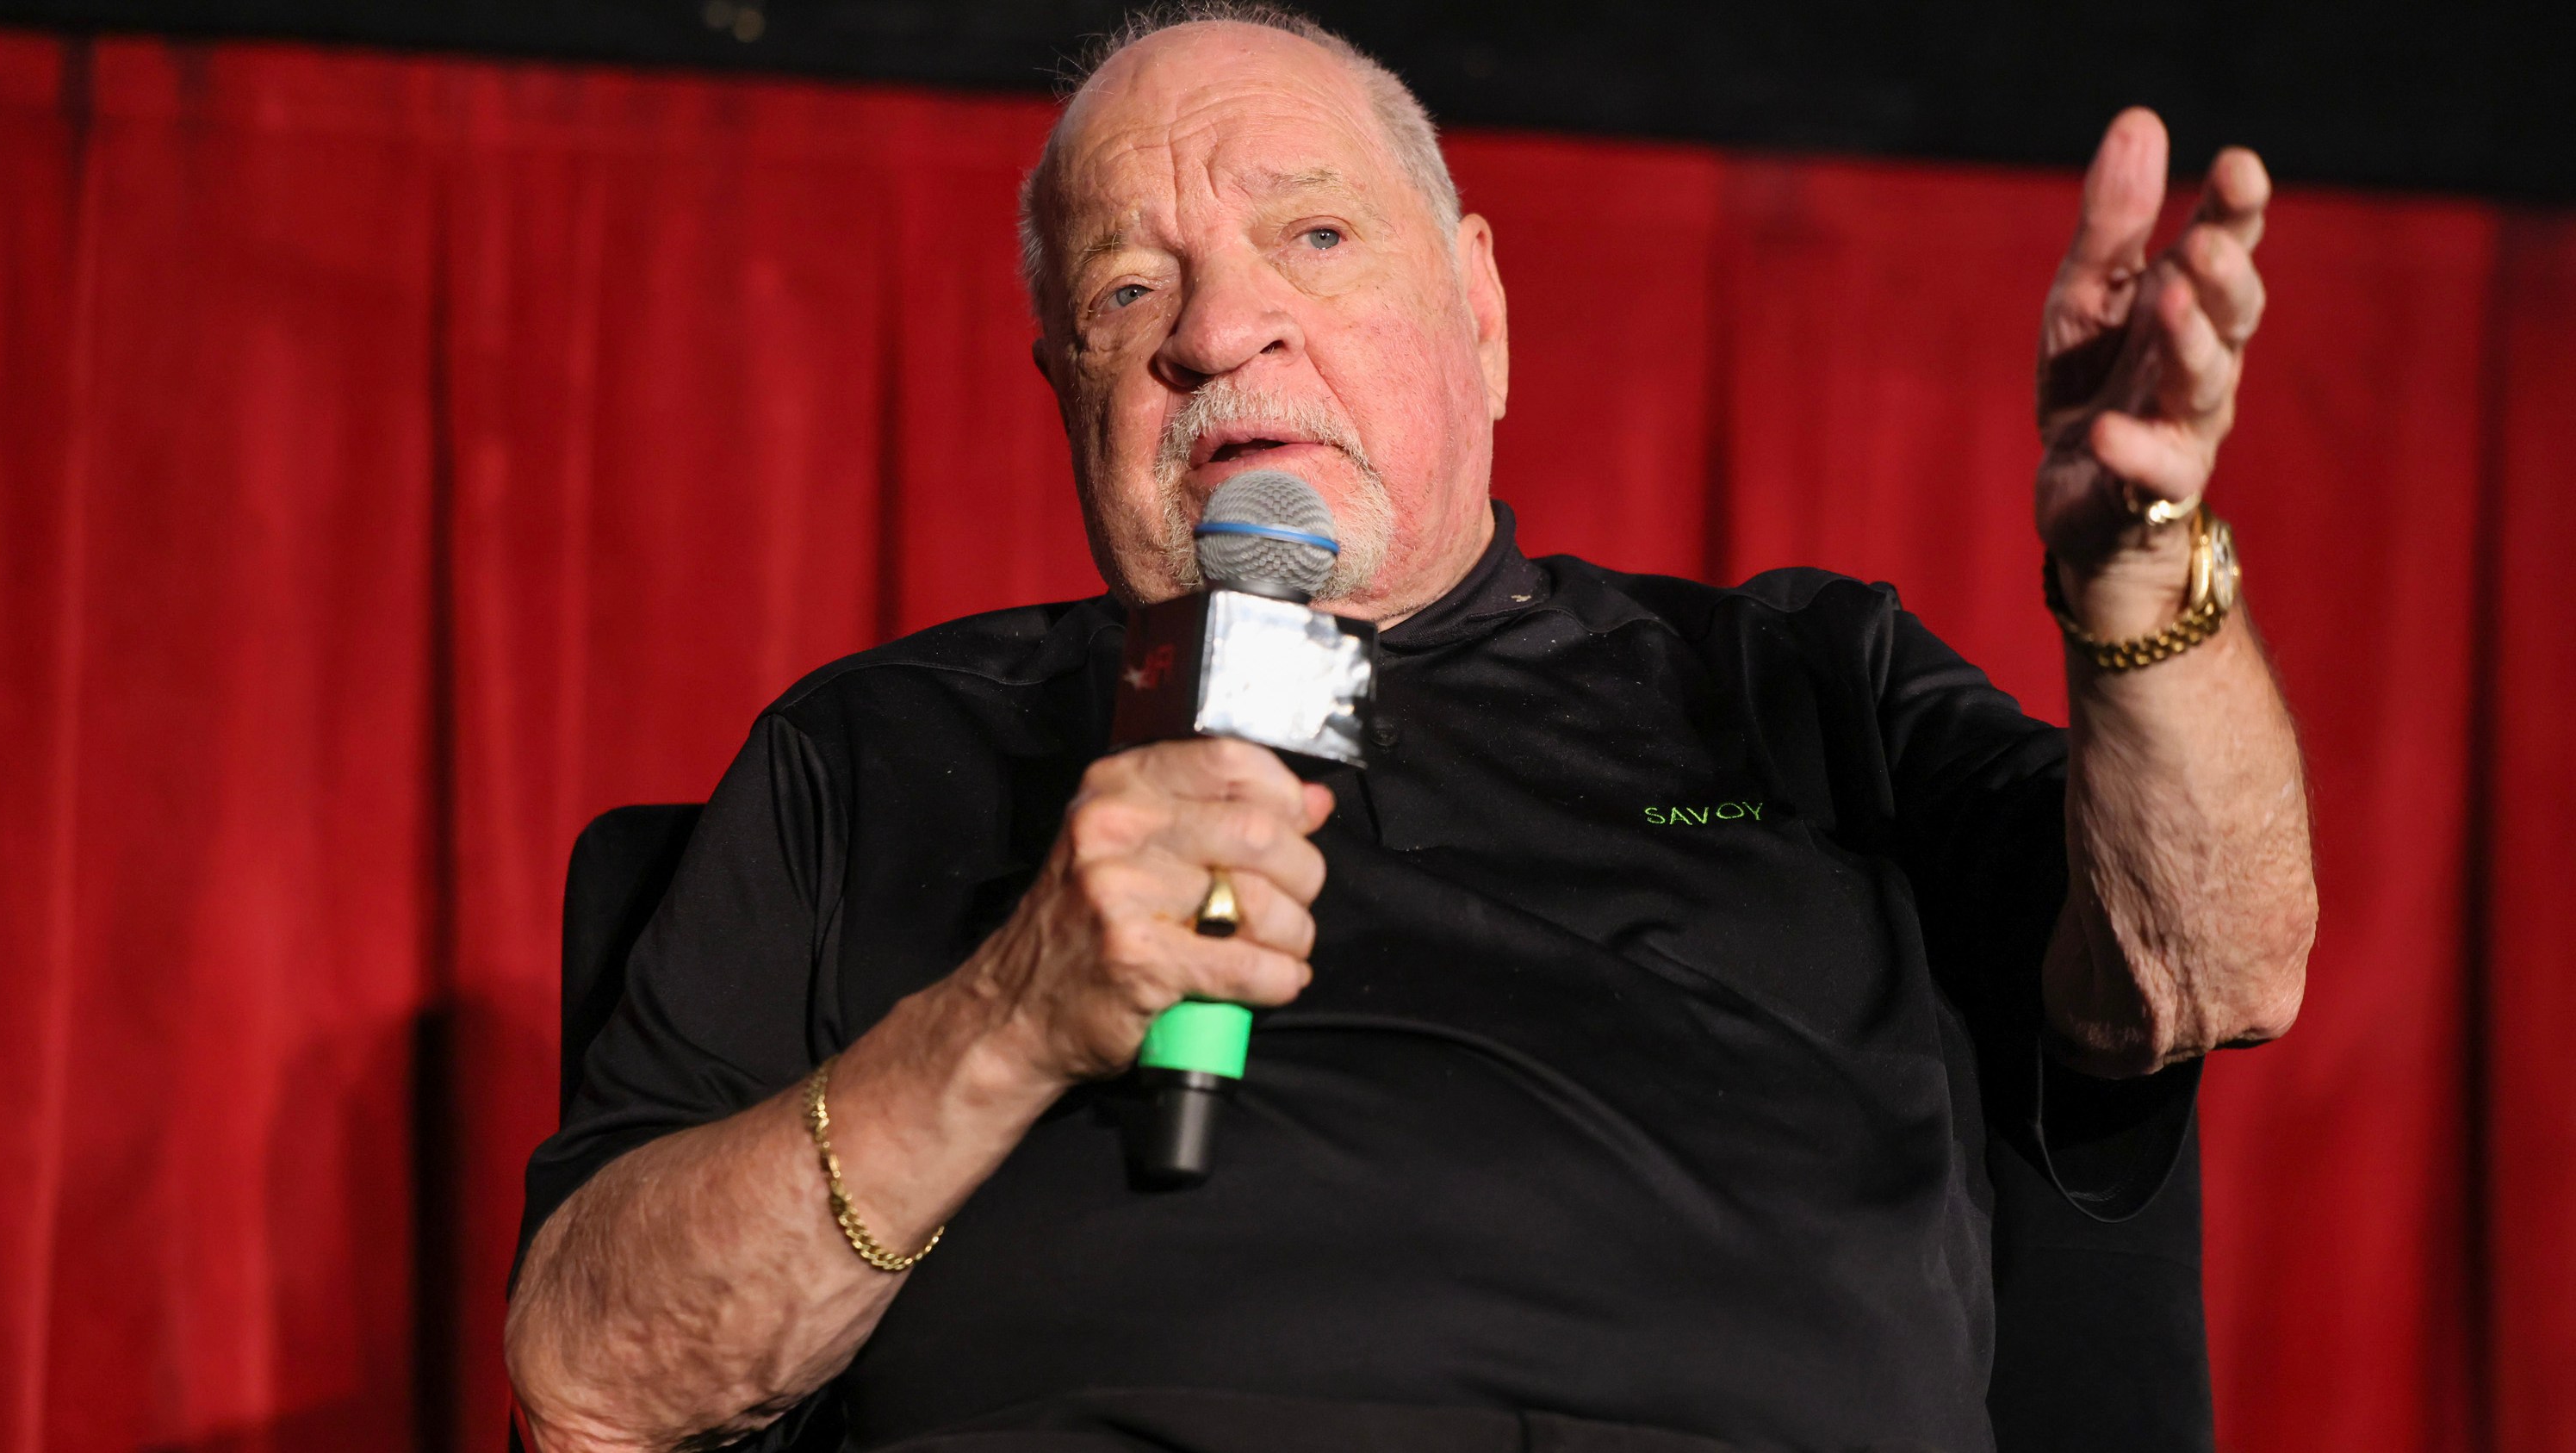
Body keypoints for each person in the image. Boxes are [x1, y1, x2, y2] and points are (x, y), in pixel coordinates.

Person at [503, 7, 2315, 1452]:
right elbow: (590, 1380)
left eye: (1313, 233)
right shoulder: (876, 755)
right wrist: (1006, 1019)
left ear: (1484, 315)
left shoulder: (1799, 682)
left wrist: (2139, 560)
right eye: (1127, 289)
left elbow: (2211, 966)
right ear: (1066, 389)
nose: (1220, 330)